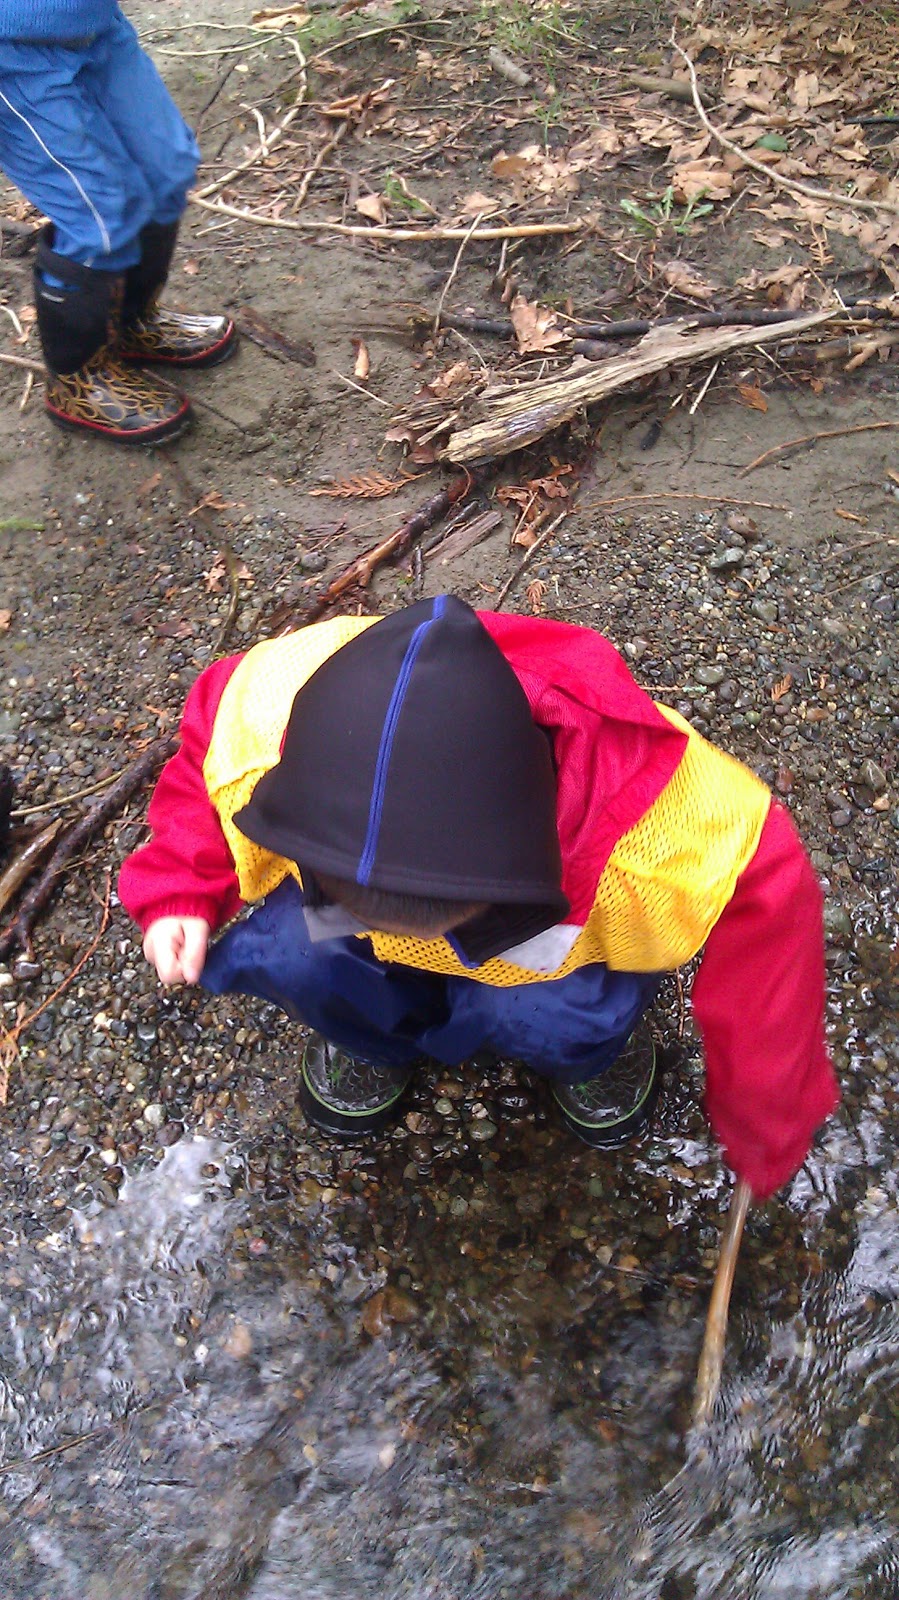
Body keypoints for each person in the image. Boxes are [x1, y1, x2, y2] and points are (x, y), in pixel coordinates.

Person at [119, 595, 839, 1200]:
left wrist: (765, 1116)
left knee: (553, 1012)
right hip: (352, 903)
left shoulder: (677, 838)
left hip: (550, 950)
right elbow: (204, 766)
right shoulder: (264, 708)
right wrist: (180, 885)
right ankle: (373, 1034)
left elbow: (772, 960)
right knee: (293, 952)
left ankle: (589, 1055)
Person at [0, 1, 236, 445]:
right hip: (11, 52)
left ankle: (132, 321)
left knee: (165, 167)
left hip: (93, 23)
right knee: (99, 216)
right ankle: (77, 380)